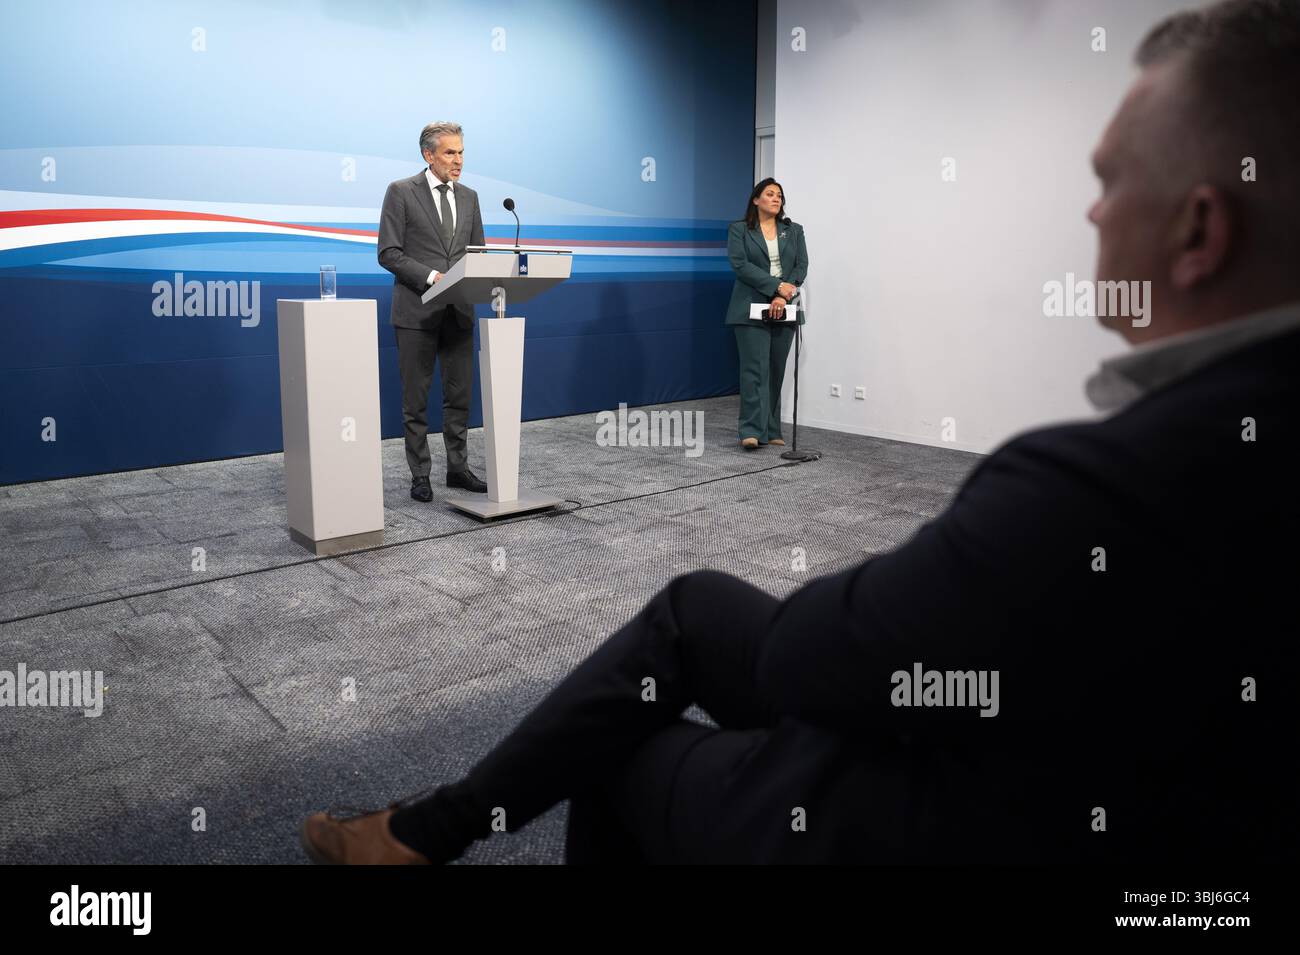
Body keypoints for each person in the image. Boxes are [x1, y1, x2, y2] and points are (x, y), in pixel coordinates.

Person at [302, 0, 1298, 864]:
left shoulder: (1104, 486)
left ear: (1198, 231)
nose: (1088, 208)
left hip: (958, 815)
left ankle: (420, 833)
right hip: (1067, 769)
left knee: (626, 741)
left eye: (1110, 178)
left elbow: (825, 660)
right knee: (688, 605)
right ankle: (419, 816)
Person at [379, 121, 488, 501]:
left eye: (461, 152)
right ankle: (420, 474)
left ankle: (458, 469)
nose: (458, 161)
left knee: (459, 397)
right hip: (416, 313)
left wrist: (474, 277)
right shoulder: (401, 192)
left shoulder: (470, 197)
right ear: (429, 155)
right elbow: (388, 253)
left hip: (458, 312)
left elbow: (477, 255)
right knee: (416, 401)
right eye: (449, 153)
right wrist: (431, 276)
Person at [724, 179, 808, 450]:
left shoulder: (793, 230)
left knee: (775, 370)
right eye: (770, 194)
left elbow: (801, 265)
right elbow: (740, 265)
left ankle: (771, 429)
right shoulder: (739, 230)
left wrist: (782, 295)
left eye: (780, 195)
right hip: (749, 306)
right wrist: (775, 286)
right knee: (754, 370)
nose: (776, 199)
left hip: (783, 306)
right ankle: (750, 430)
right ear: (756, 200)